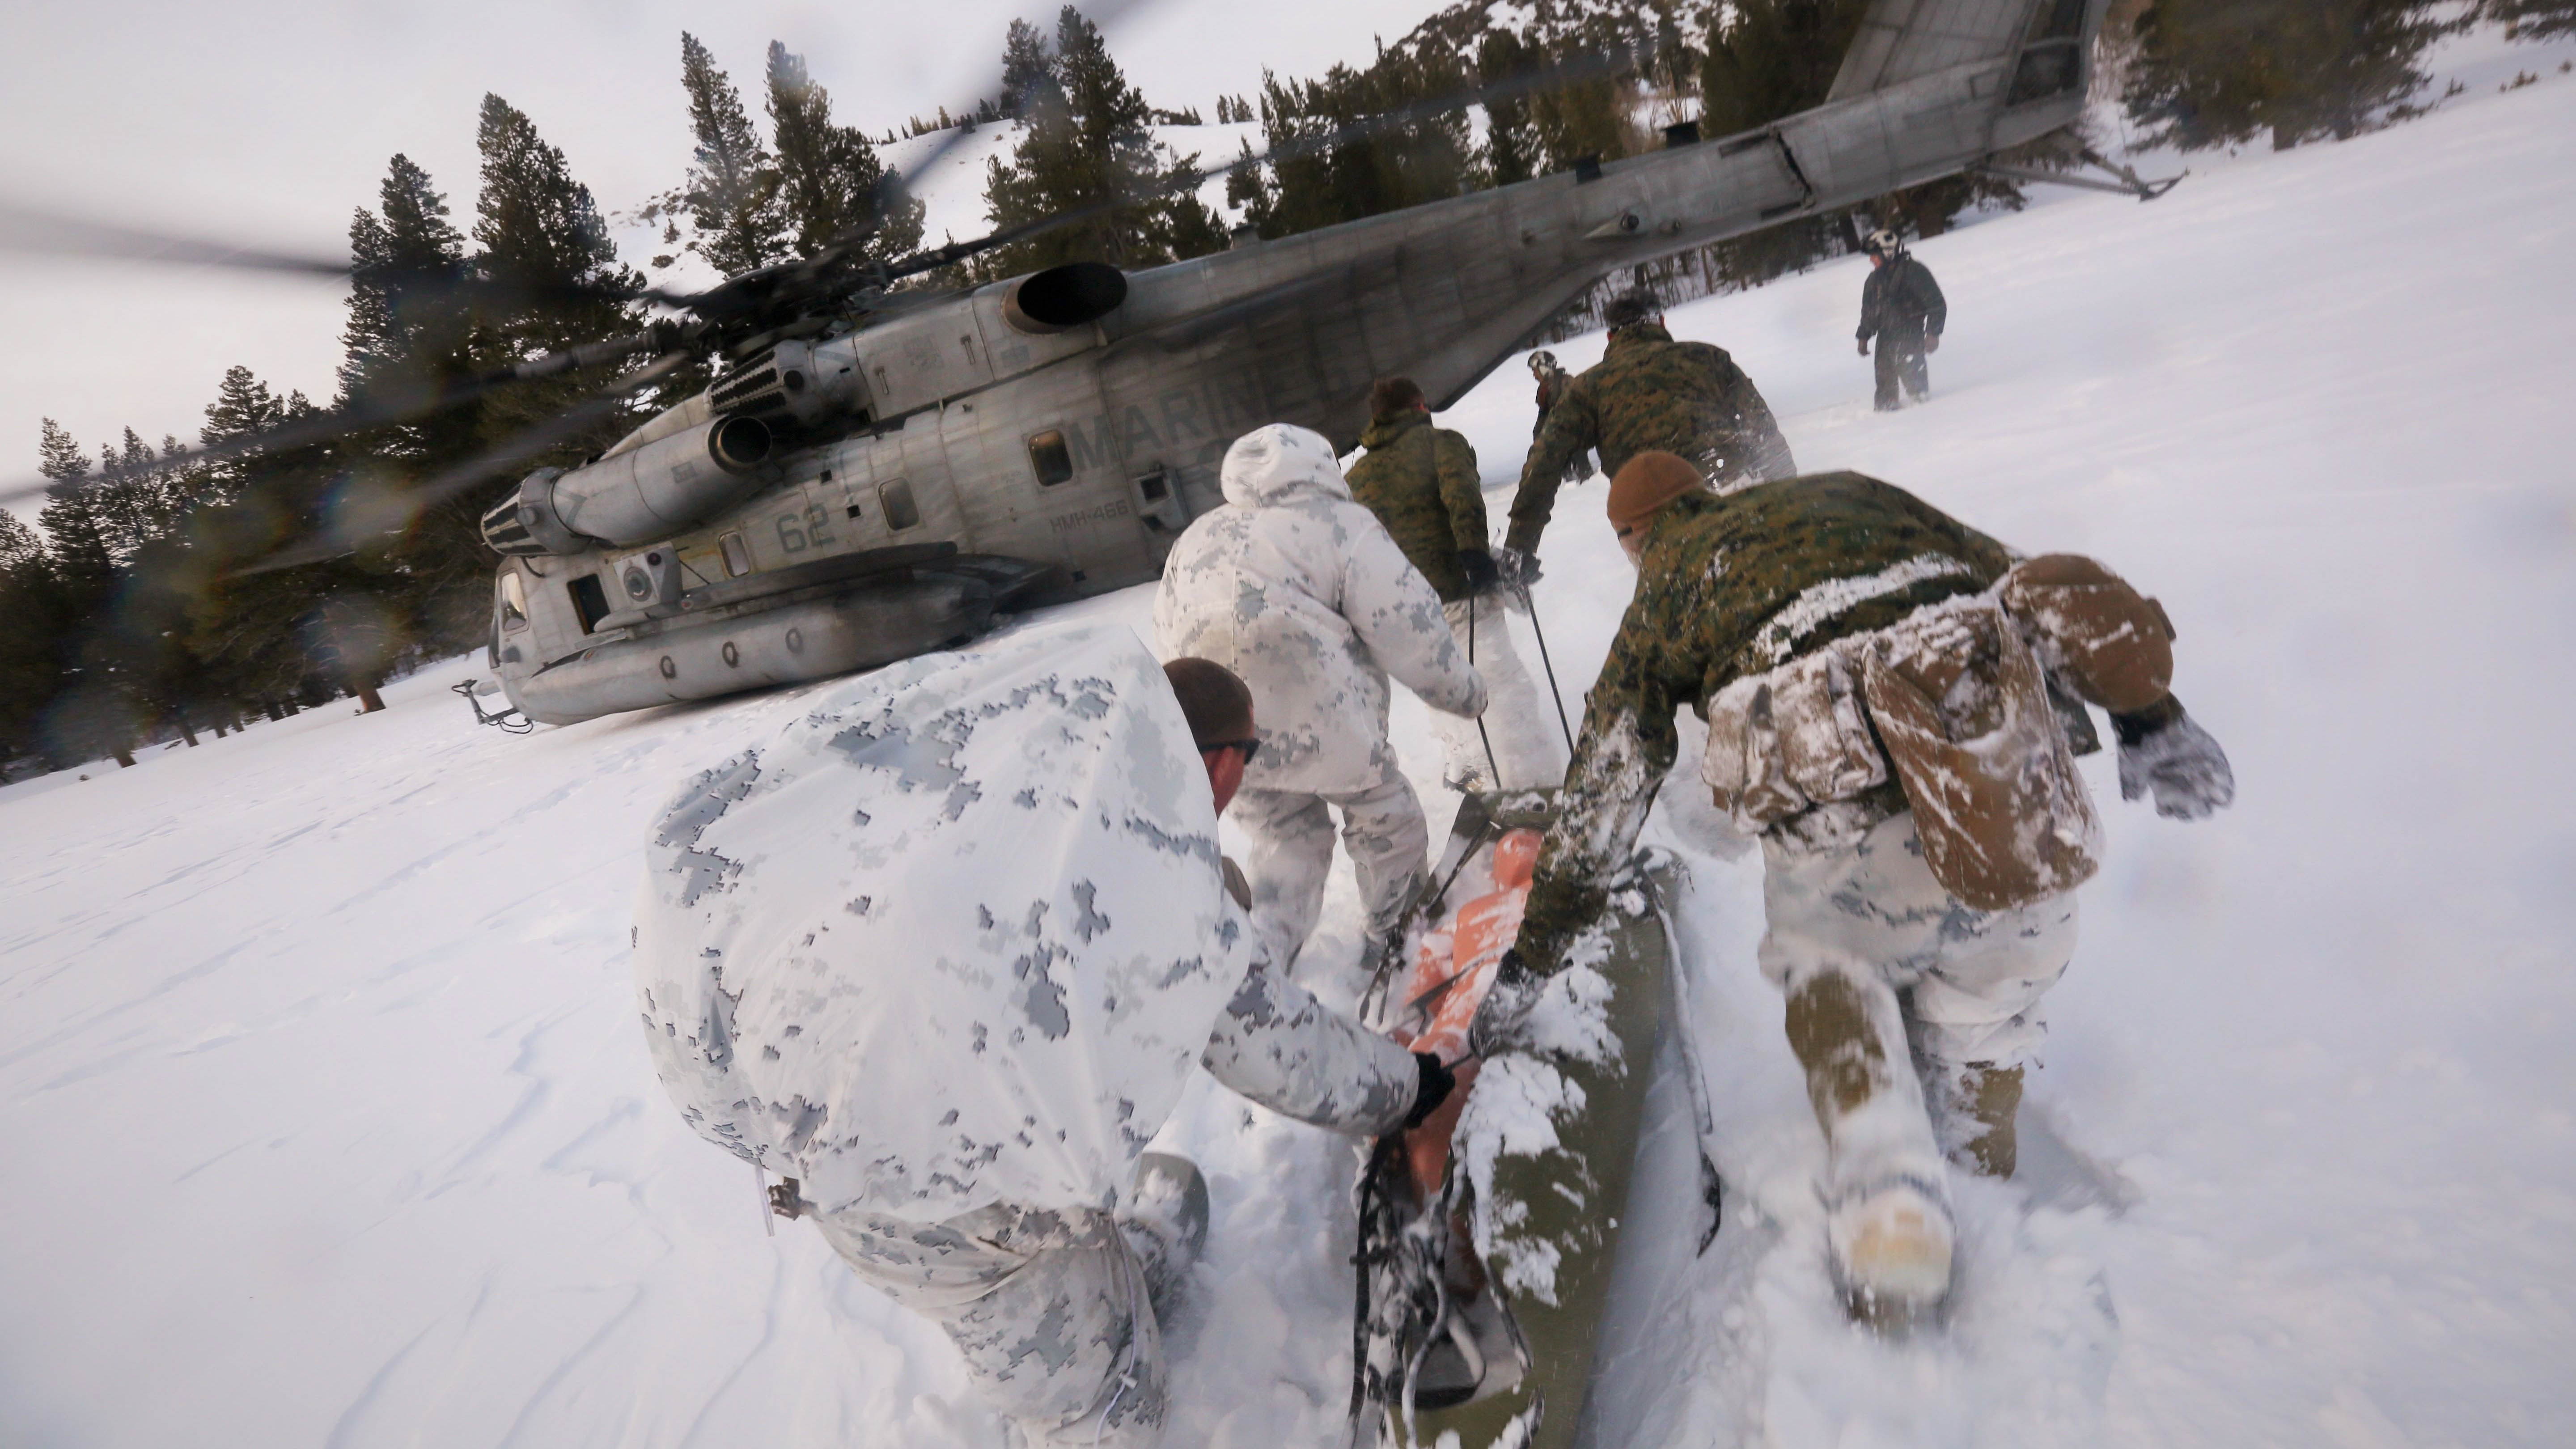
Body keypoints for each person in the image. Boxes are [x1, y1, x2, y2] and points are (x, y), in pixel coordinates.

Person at [634, 630, 1454, 1447]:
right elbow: (1284, 1052)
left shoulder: (1029, 732)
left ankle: (1099, 1276)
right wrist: (1409, 1088)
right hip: (940, 1197)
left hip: (770, 1081)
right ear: (1219, 765)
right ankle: (1077, 1350)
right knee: (1101, 1408)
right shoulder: (1154, 875)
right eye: (1251, 754)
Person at [1480, 452, 2235, 1324]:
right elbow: (2033, 587)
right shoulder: (1851, 489)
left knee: (1830, 967)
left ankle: (1889, 1190)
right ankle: (1979, 1163)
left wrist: (1536, 956)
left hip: (1846, 840)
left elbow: (1610, 779)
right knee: (1992, 1004)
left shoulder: (1672, 581)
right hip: (2008, 805)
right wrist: (2153, 719)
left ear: (1632, 541)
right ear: (1708, 490)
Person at [1155, 423, 1488, 972]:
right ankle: (1395, 940)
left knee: (1287, 839)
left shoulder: (1196, 538)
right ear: (1321, 468)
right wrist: (1464, 693)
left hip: (1226, 733)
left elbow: (1168, 628)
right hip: (1322, 717)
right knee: (1387, 817)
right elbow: (1407, 625)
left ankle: (1263, 958)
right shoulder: (1339, 526)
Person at [1344, 376, 1567, 792]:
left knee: (1445, 688)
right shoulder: (1441, 443)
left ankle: (1470, 771)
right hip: (1457, 590)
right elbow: (1461, 496)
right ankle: (1535, 785)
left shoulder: (1356, 477)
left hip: (1404, 609)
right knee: (1501, 685)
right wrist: (1476, 557)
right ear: (1421, 407)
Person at [1503, 288, 1796, 559]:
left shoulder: (1589, 387)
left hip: (1653, 520)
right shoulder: (1709, 359)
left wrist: (1519, 549)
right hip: (1734, 491)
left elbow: (1543, 463)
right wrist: (1793, 498)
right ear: (1662, 322)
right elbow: (1763, 430)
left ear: (1610, 337)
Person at [1856, 228, 1947, 411]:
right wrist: (1864, 337)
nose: (1871, 260)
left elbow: (1937, 304)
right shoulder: (1873, 281)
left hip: (1910, 337)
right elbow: (1869, 313)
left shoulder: (1915, 272)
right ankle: (1886, 423)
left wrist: (1933, 333)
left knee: (1918, 394)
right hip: (1884, 341)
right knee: (1885, 396)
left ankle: (1926, 419)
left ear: (1888, 252)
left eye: (1874, 255)